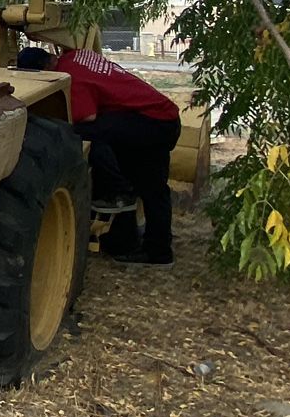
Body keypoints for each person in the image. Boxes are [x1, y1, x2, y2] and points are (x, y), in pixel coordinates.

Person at [16, 44, 182, 265]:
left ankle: (118, 191)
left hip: (153, 122)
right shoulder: (75, 56)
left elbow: (88, 117)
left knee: (78, 133)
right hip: (162, 115)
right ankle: (155, 248)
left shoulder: (70, 77)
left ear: (44, 71)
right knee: (153, 188)